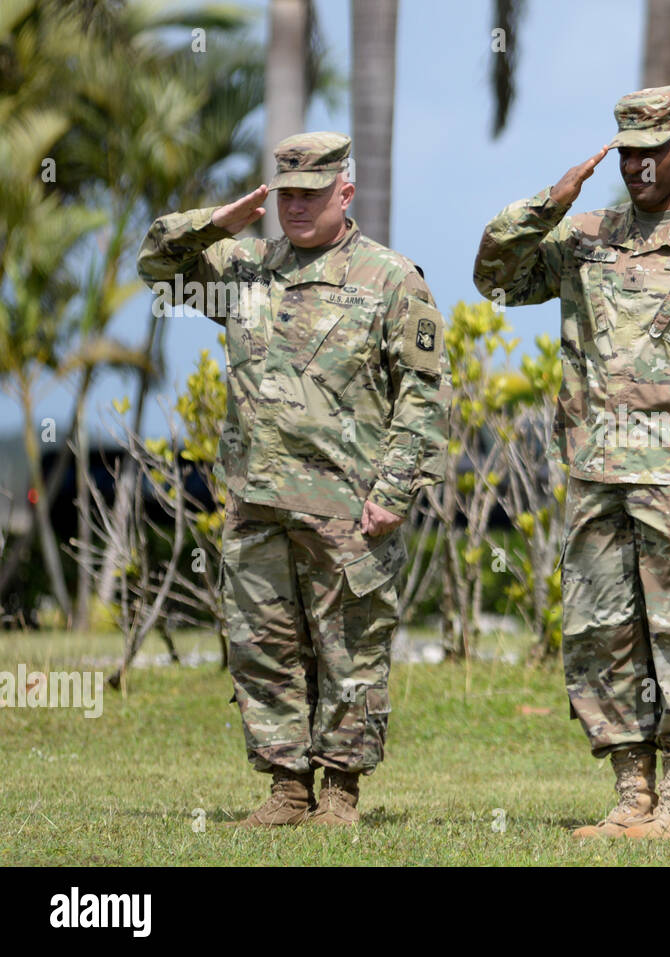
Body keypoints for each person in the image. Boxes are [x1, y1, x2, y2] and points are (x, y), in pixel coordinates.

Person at [473, 86, 670, 839]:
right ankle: (630, 798)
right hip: (597, 476)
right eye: (627, 153)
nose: (639, 166)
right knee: (601, 637)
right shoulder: (582, 238)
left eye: (654, 151)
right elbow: (494, 277)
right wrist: (543, 207)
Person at [137, 132, 450, 827]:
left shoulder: (392, 278)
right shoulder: (244, 269)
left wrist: (394, 491)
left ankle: (339, 790)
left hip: (349, 505)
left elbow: (424, 395)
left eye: (312, 194)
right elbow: (157, 266)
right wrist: (213, 224)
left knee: (350, 648)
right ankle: (286, 786)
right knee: (261, 645)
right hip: (257, 501)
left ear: (346, 189)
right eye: (286, 196)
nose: (298, 208)